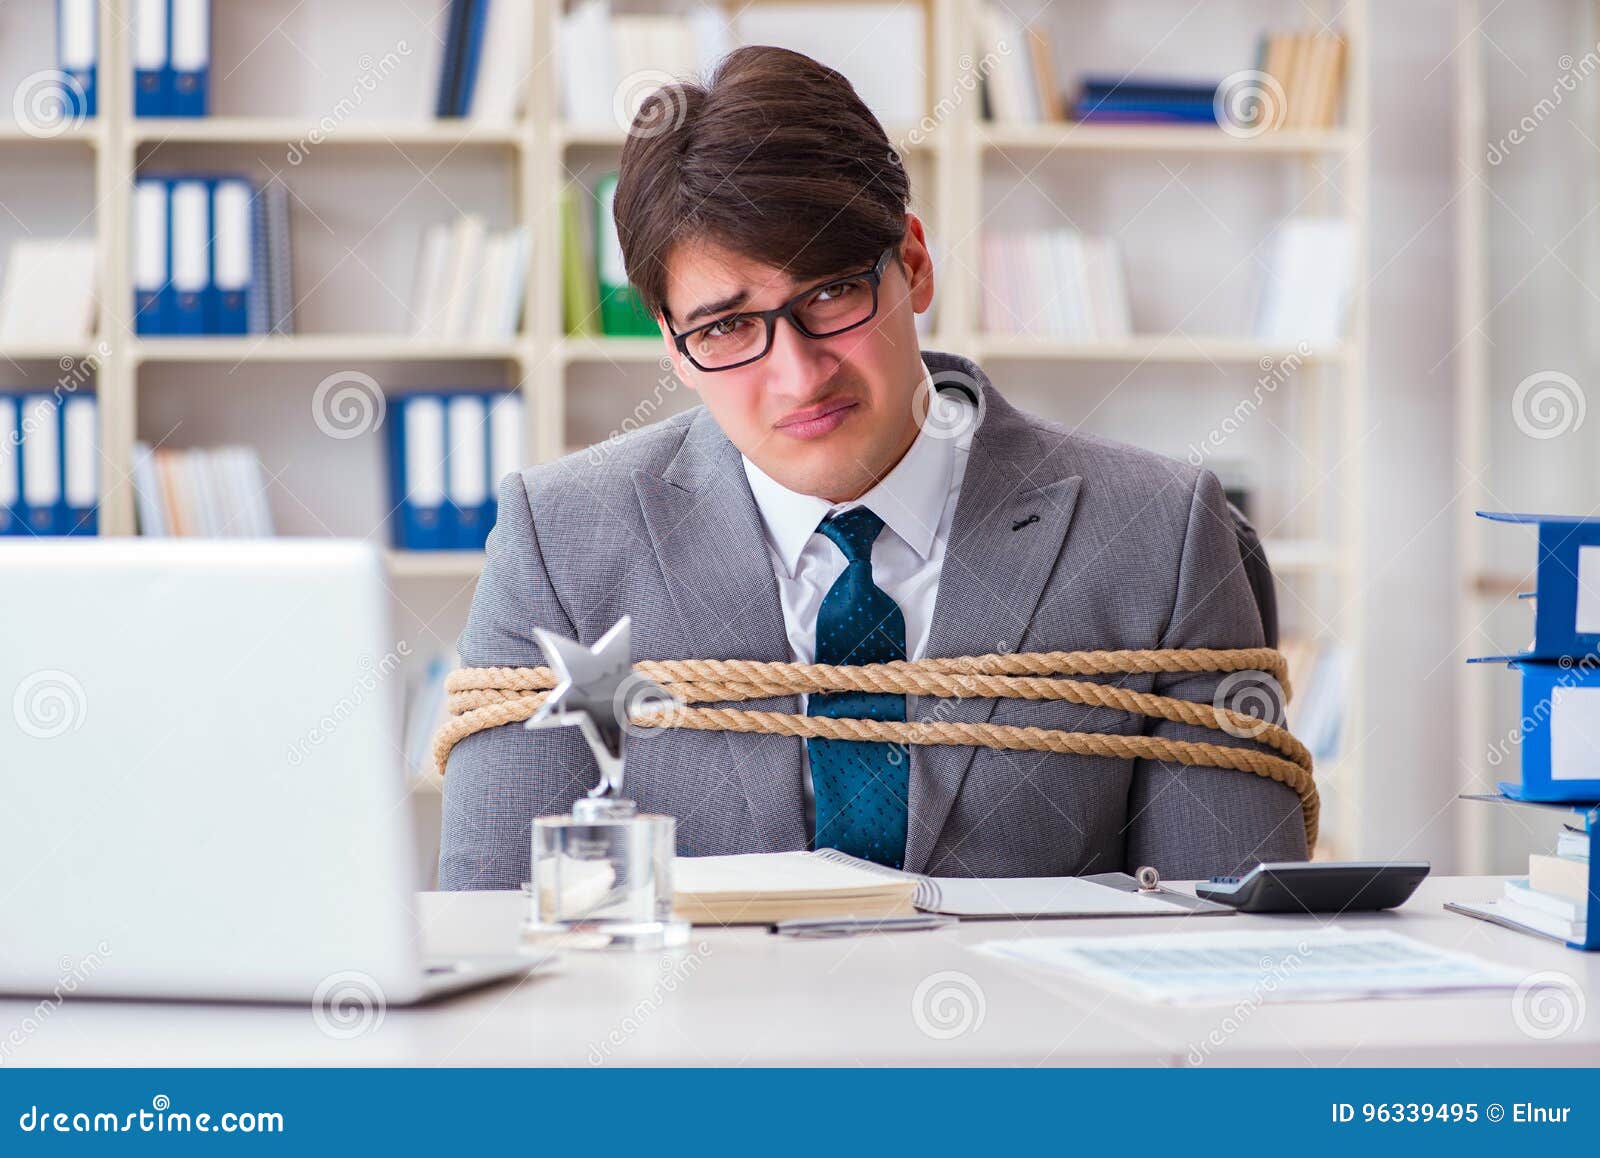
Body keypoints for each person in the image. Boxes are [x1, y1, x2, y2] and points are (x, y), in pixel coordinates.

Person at [438, 45, 1306, 890]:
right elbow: (496, 947)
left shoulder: (1161, 533)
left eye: (829, 293)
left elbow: (1220, 949)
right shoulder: (557, 544)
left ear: (915, 264)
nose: (801, 374)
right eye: (727, 328)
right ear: (673, 346)